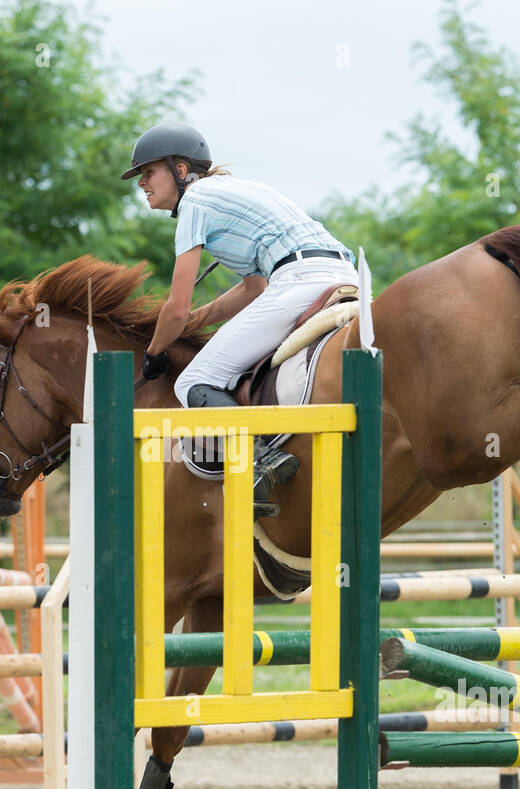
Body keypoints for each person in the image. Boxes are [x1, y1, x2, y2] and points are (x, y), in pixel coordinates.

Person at [122, 122, 360, 517]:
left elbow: (176, 308)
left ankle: (261, 459)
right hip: (345, 275)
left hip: (300, 280)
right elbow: (252, 289)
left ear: (180, 171)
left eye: (148, 172)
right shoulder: (230, 192)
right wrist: (194, 321)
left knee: (192, 382)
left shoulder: (195, 203)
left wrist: (155, 351)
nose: (142, 183)